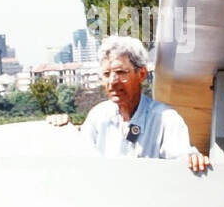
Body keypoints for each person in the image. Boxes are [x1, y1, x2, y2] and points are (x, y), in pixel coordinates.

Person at [82, 36, 211, 174]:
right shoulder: (97, 117)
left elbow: (181, 159)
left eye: (120, 72)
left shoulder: (165, 119)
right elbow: (81, 161)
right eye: (107, 74)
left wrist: (193, 159)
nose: (112, 81)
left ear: (142, 74)